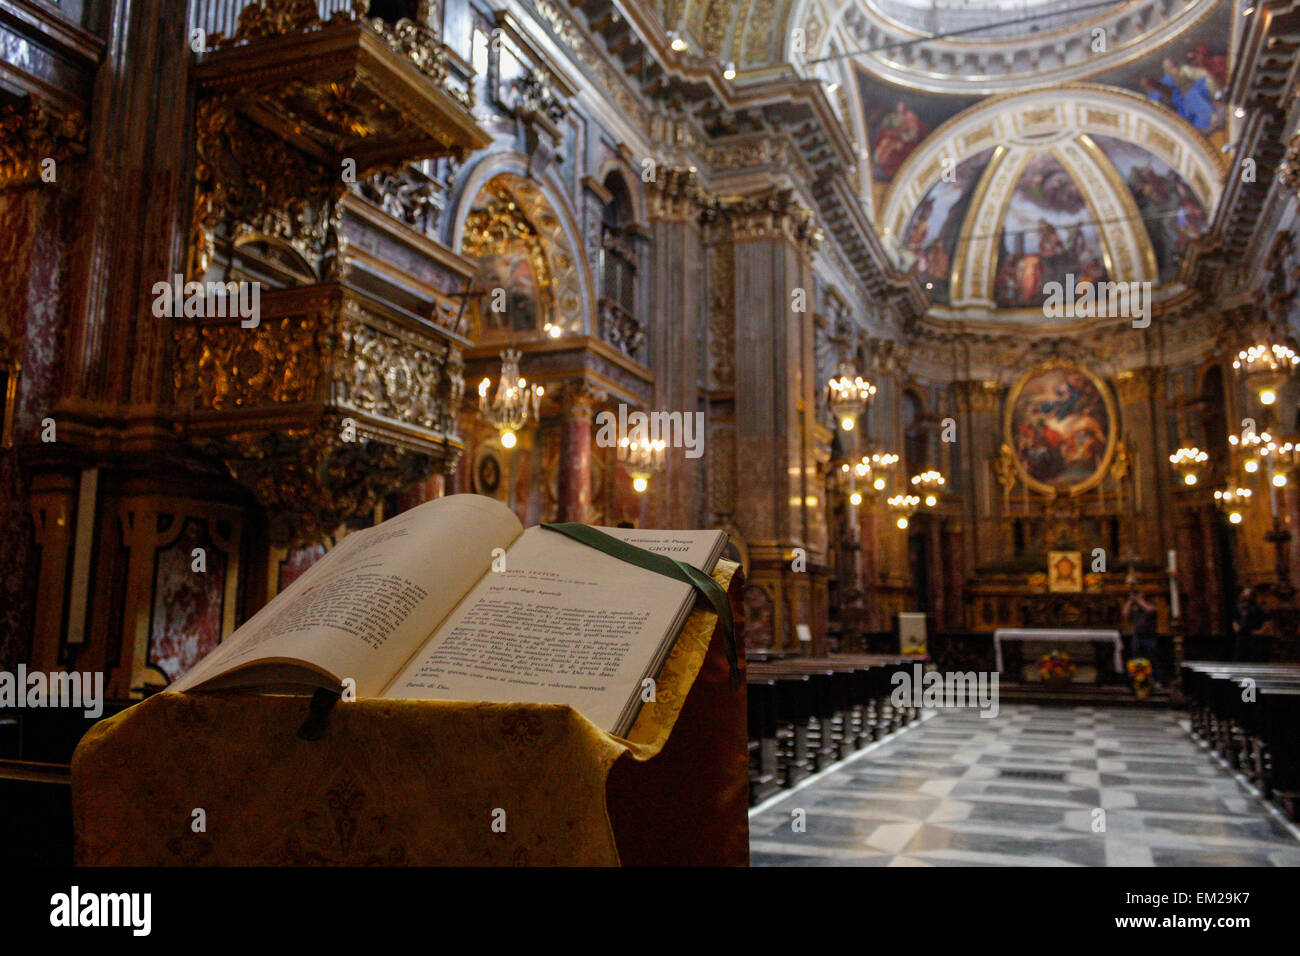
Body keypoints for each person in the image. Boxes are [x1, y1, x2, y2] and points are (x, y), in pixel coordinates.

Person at [1122, 588, 1160, 685]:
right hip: (1137, 636)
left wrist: (1139, 600)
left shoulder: (1150, 605)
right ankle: (1138, 679)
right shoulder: (1135, 608)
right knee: (1137, 660)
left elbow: (1150, 610)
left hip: (1149, 637)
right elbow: (1125, 613)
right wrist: (1130, 601)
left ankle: (1155, 680)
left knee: (1151, 659)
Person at [1232, 588, 1269, 661]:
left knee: (1254, 656)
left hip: (1253, 635)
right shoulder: (1239, 608)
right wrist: (1236, 627)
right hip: (1242, 635)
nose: (1246, 597)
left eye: (1248, 595)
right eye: (1244, 595)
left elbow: (1267, 621)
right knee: (1240, 656)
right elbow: (1234, 619)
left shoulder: (1258, 608)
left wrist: (1261, 631)